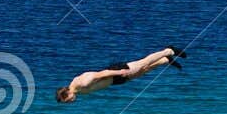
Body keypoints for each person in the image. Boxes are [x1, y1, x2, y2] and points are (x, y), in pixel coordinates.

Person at [55, 46, 185, 103]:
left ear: (67, 95)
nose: (70, 102)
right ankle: (165, 60)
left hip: (116, 73)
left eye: (67, 101)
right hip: (114, 81)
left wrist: (120, 72)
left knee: (143, 62)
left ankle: (169, 51)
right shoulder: (77, 91)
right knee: (141, 72)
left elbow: (101, 74)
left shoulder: (82, 83)